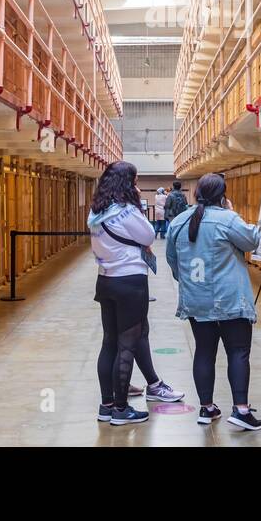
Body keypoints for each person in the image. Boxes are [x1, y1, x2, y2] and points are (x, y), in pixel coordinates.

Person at [165, 172, 261, 431]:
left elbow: (173, 262)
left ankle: (207, 408)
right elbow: (252, 240)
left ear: (197, 194)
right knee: (238, 352)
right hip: (231, 300)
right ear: (223, 196)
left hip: (197, 301)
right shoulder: (227, 219)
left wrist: (189, 282)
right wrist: (233, 212)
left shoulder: (179, 221)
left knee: (204, 352)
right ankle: (241, 411)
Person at [88, 161, 185, 425]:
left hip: (105, 280)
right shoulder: (126, 211)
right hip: (129, 281)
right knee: (126, 344)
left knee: (109, 342)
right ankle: (121, 410)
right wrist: (137, 204)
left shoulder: (96, 210)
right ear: (127, 182)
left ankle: (107, 405)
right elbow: (148, 235)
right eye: (134, 180)